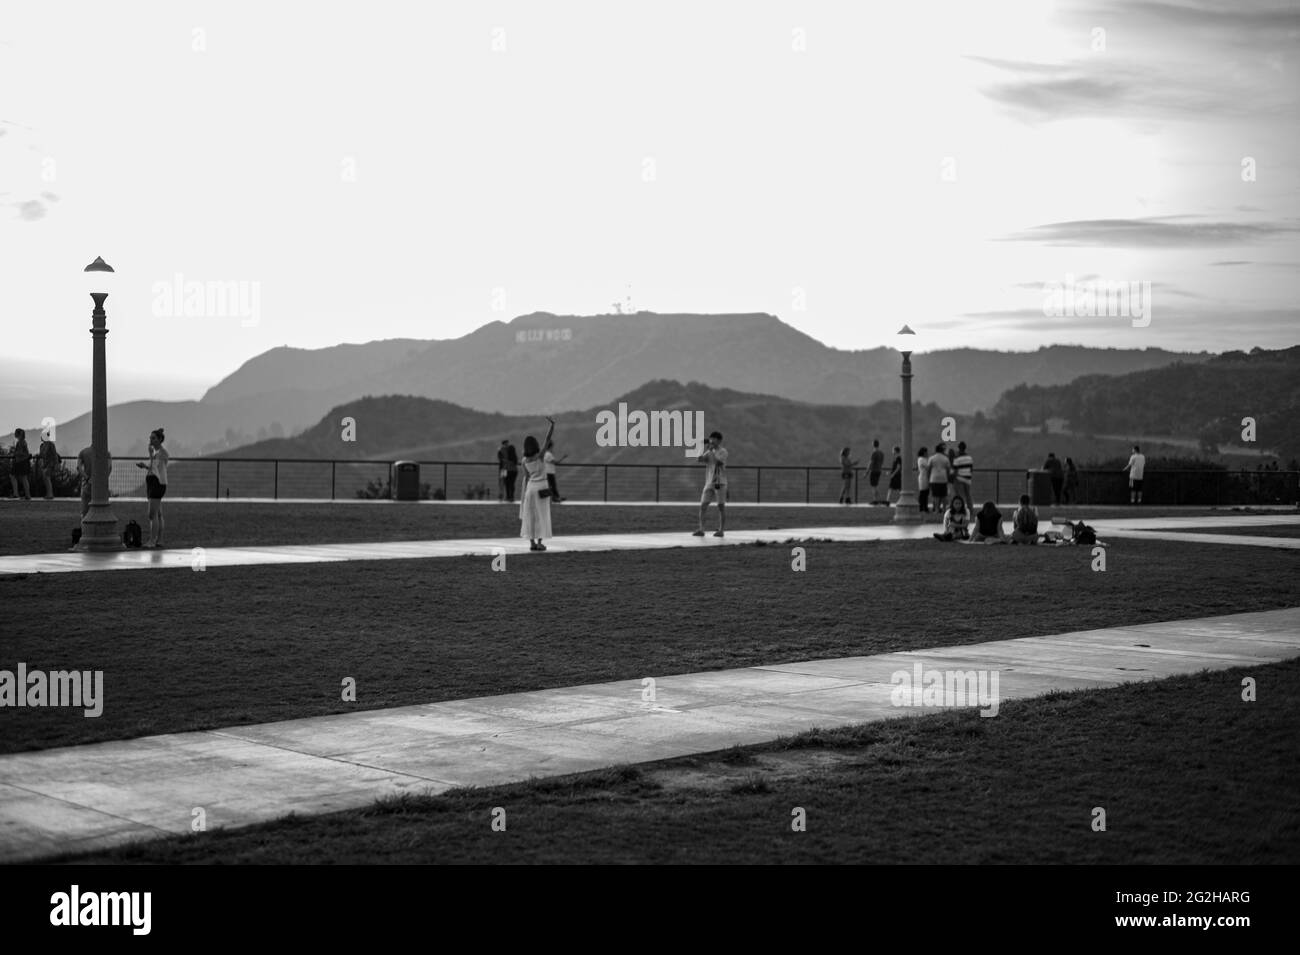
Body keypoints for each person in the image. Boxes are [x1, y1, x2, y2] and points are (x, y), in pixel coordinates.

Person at [519, 418, 556, 550]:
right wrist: (552, 425)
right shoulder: (540, 456)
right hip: (542, 487)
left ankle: (532, 543)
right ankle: (540, 543)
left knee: (530, 515)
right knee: (542, 515)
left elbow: (527, 476)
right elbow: (547, 439)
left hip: (530, 488)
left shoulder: (524, 461)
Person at [134, 428, 169, 548]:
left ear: (159, 439)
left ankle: (152, 541)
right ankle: (159, 540)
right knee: (158, 513)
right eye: (150, 438)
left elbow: (155, 469)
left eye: (153, 438)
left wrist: (150, 454)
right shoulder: (156, 453)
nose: (150, 440)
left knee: (151, 514)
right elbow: (152, 467)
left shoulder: (162, 453)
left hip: (157, 484)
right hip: (153, 483)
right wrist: (144, 466)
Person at [693, 430, 728, 538]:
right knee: (703, 505)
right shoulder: (709, 451)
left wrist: (711, 450)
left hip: (719, 482)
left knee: (720, 506)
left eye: (714, 439)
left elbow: (718, 462)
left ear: (719, 441)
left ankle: (721, 530)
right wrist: (700, 447)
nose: (711, 441)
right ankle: (701, 529)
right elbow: (699, 459)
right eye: (711, 439)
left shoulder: (723, 451)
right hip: (709, 482)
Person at [75, 445, 112, 518]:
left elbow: (79, 468)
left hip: (87, 484)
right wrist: (101, 479)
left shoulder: (83, 452)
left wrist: (87, 478)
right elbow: (109, 468)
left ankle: (84, 524)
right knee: (101, 509)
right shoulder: (106, 453)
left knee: (85, 511)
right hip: (101, 485)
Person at [928, 442, 952, 515]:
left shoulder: (932, 458)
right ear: (942, 450)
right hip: (943, 478)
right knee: (943, 495)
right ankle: (944, 509)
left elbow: (929, 469)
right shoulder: (945, 458)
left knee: (935, 495)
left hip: (934, 478)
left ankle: (937, 510)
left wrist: (929, 478)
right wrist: (947, 478)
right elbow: (948, 469)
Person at [8, 429, 32, 500]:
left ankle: (16, 493)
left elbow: (20, 452)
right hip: (24, 462)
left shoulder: (20, 442)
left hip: (21, 462)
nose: (14, 434)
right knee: (24, 478)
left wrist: (15, 453)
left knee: (12, 476)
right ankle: (27, 495)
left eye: (15, 433)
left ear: (18, 434)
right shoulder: (23, 442)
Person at [37, 433, 59, 501]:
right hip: (45, 464)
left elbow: (55, 454)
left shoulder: (51, 444)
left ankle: (50, 494)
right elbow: (41, 455)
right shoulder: (42, 445)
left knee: (47, 478)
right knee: (45, 478)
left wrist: (56, 464)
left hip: (50, 464)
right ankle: (48, 493)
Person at [953, 441, 974, 508]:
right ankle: (970, 509)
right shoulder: (969, 458)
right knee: (968, 495)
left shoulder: (957, 458)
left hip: (959, 479)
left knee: (960, 496)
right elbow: (971, 469)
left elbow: (955, 471)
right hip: (968, 479)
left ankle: (961, 509)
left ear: (959, 448)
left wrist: (954, 478)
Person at [867, 439, 885, 504]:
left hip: (874, 471)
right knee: (876, 485)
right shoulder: (881, 453)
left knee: (873, 486)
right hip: (879, 471)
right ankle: (879, 499)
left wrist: (867, 472)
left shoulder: (874, 453)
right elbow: (882, 462)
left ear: (873, 445)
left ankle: (875, 500)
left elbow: (871, 462)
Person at [916, 446, 930, 513]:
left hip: (925, 477)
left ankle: (924, 507)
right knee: (923, 493)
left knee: (925, 493)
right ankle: (922, 507)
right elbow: (928, 467)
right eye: (926, 452)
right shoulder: (921, 459)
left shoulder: (923, 459)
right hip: (923, 477)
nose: (927, 453)